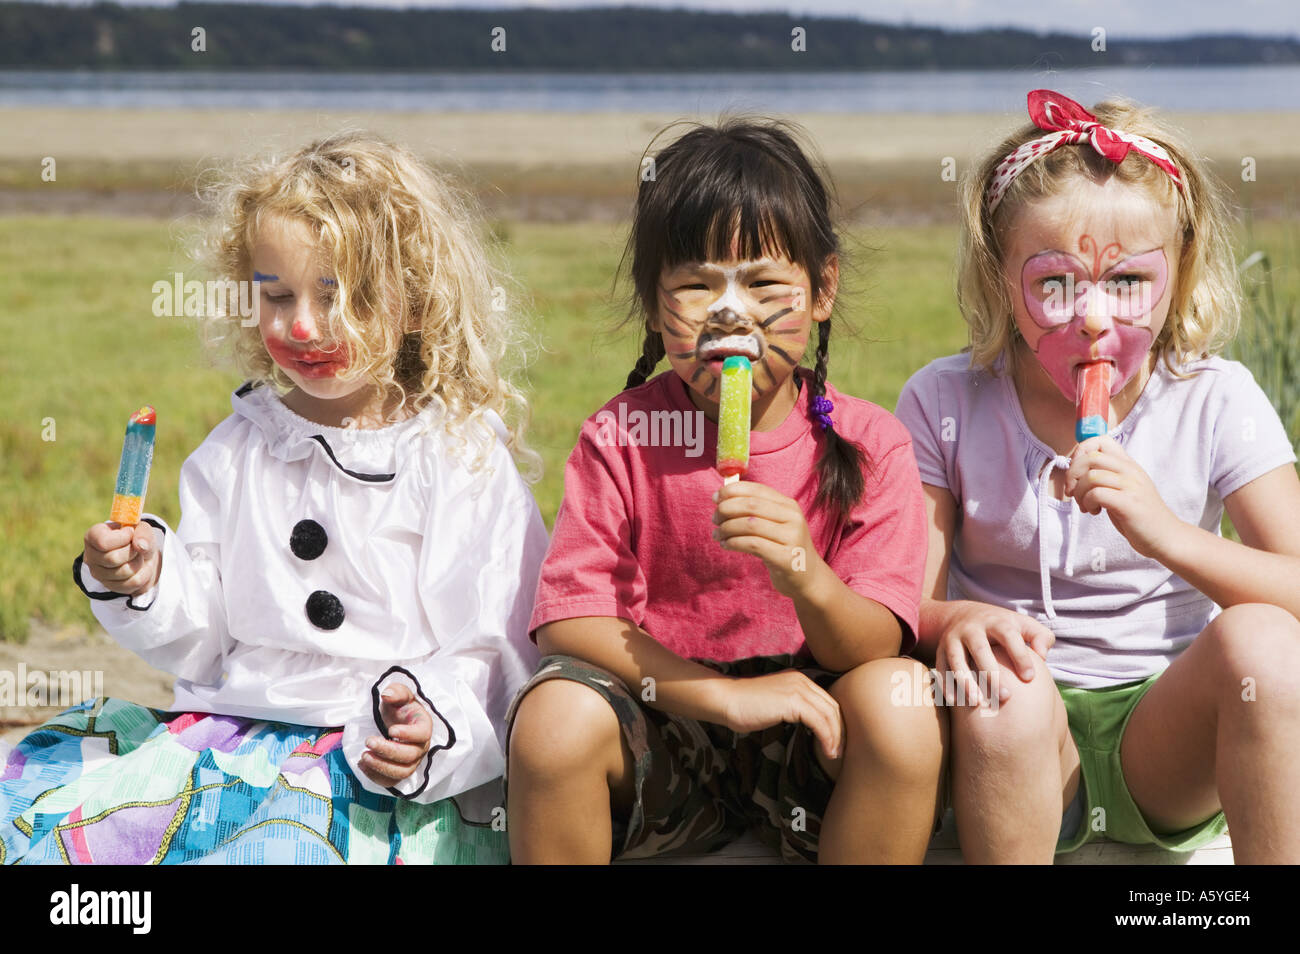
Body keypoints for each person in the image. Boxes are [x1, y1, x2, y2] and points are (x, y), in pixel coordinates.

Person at [0, 132, 548, 865]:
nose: (303, 325)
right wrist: (146, 575)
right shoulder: (239, 446)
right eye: (277, 295)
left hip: (377, 767)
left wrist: (430, 724)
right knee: (51, 830)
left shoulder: (455, 453)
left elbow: (499, 640)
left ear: (416, 302)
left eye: (339, 296)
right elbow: (203, 635)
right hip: (232, 741)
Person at [506, 118, 946, 865]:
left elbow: (876, 642)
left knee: (901, 703)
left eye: (763, 282)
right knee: (551, 721)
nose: (729, 313)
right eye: (696, 285)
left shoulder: (872, 444)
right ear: (654, 306)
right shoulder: (622, 437)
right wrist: (723, 697)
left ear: (822, 290)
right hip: (666, 716)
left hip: (815, 731)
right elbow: (572, 623)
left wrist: (806, 573)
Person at [896, 89, 1300, 863]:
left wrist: (1167, 534)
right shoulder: (944, 401)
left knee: (1266, 645)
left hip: (1170, 740)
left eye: (1125, 283)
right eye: (1055, 284)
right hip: (1016, 733)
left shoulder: (1214, 399)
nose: (1091, 317)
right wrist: (955, 621)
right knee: (1004, 686)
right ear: (998, 279)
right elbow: (901, 602)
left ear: (1177, 279)